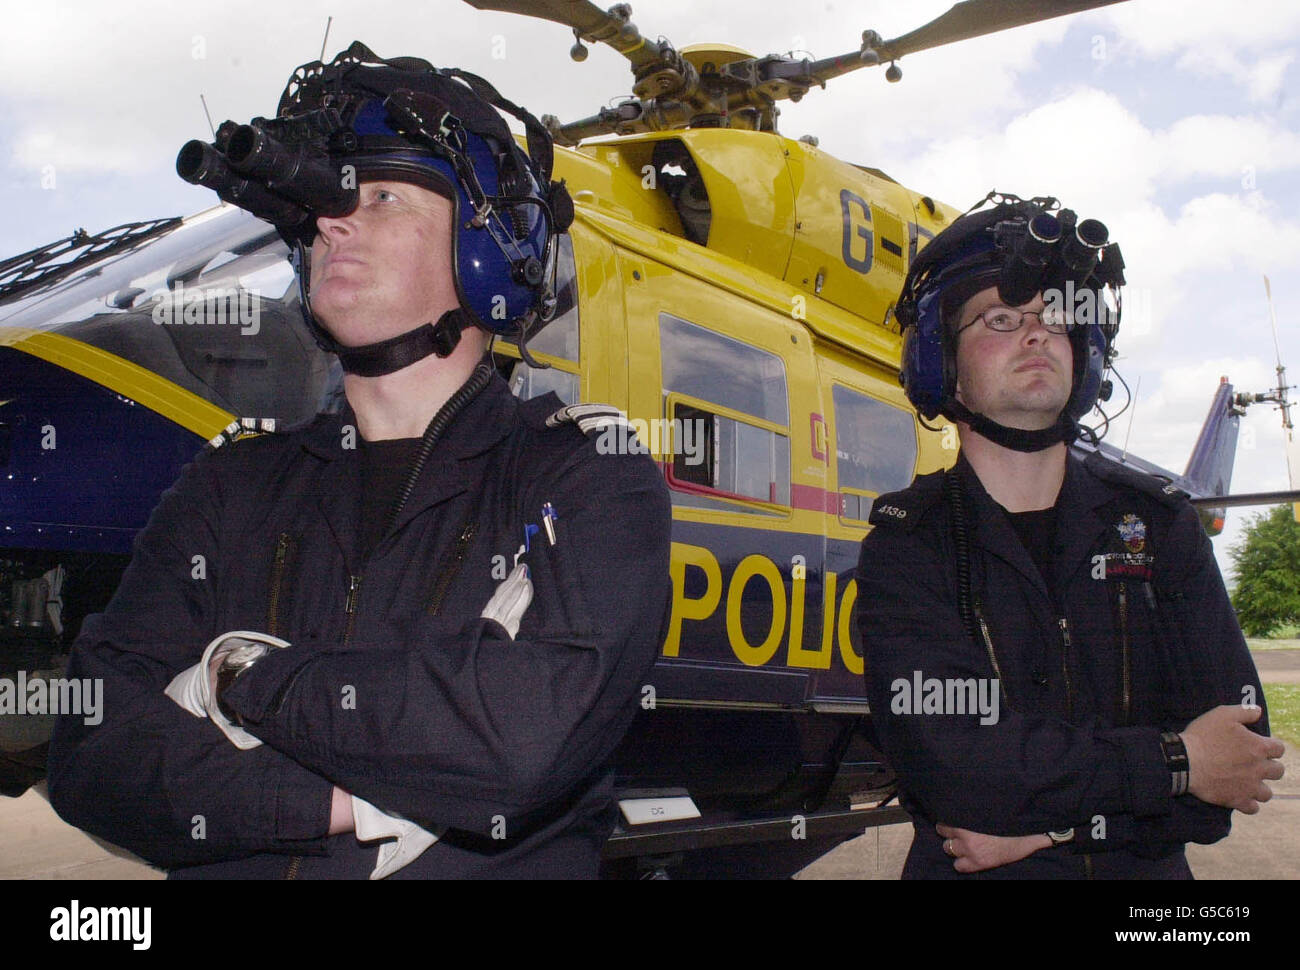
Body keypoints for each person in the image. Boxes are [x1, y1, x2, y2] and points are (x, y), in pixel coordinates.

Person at [47, 43, 672, 879]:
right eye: (326, 207)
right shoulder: (232, 484)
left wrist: (237, 676)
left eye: (382, 196)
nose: (332, 221)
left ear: (487, 249)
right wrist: (336, 803)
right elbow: (90, 752)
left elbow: (517, 743)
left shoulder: (586, 473)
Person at [856, 192, 1285, 878]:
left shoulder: (1160, 525)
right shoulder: (909, 546)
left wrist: (1047, 832)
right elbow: (954, 768)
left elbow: (1231, 775)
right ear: (942, 364)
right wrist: (1175, 763)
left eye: (1055, 320)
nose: (1037, 335)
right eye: (1000, 319)